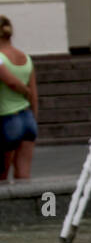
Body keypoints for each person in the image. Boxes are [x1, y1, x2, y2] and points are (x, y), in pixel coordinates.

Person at [0, 14, 38, 180]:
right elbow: (34, 95)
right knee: (24, 177)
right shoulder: (26, 58)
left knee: (1, 176)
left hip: (7, 119)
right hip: (27, 119)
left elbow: (11, 82)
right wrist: (33, 117)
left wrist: (24, 91)